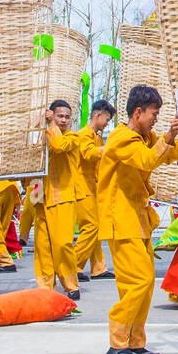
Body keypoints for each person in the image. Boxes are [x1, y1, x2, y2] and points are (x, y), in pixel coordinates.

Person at [100, 86, 178, 354]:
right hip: (120, 222)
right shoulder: (120, 139)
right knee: (137, 283)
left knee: (144, 285)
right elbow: (148, 159)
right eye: (154, 114)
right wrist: (169, 137)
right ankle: (117, 345)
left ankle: (134, 343)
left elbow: (168, 156)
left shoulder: (143, 137)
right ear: (138, 112)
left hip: (137, 221)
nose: (155, 120)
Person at [32, 99, 81, 299]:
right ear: (51, 114)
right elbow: (31, 154)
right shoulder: (44, 135)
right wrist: (39, 124)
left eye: (67, 117)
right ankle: (45, 287)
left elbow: (58, 146)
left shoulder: (72, 138)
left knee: (62, 244)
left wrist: (50, 125)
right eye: (60, 116)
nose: (63, 120)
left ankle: (71, 285)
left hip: (62, 195)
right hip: (39, 192)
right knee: (42, 244)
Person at [73, 99, 117, 282]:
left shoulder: (96, 136)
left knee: (96, 227)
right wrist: (111, 148)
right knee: (92, 227)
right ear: (97, 115)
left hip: (93, 187)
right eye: (106, 119)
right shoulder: (84, 134)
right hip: (82, 187)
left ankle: (98, 267)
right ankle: (73, 265)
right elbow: (89, 154)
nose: (107, 123)